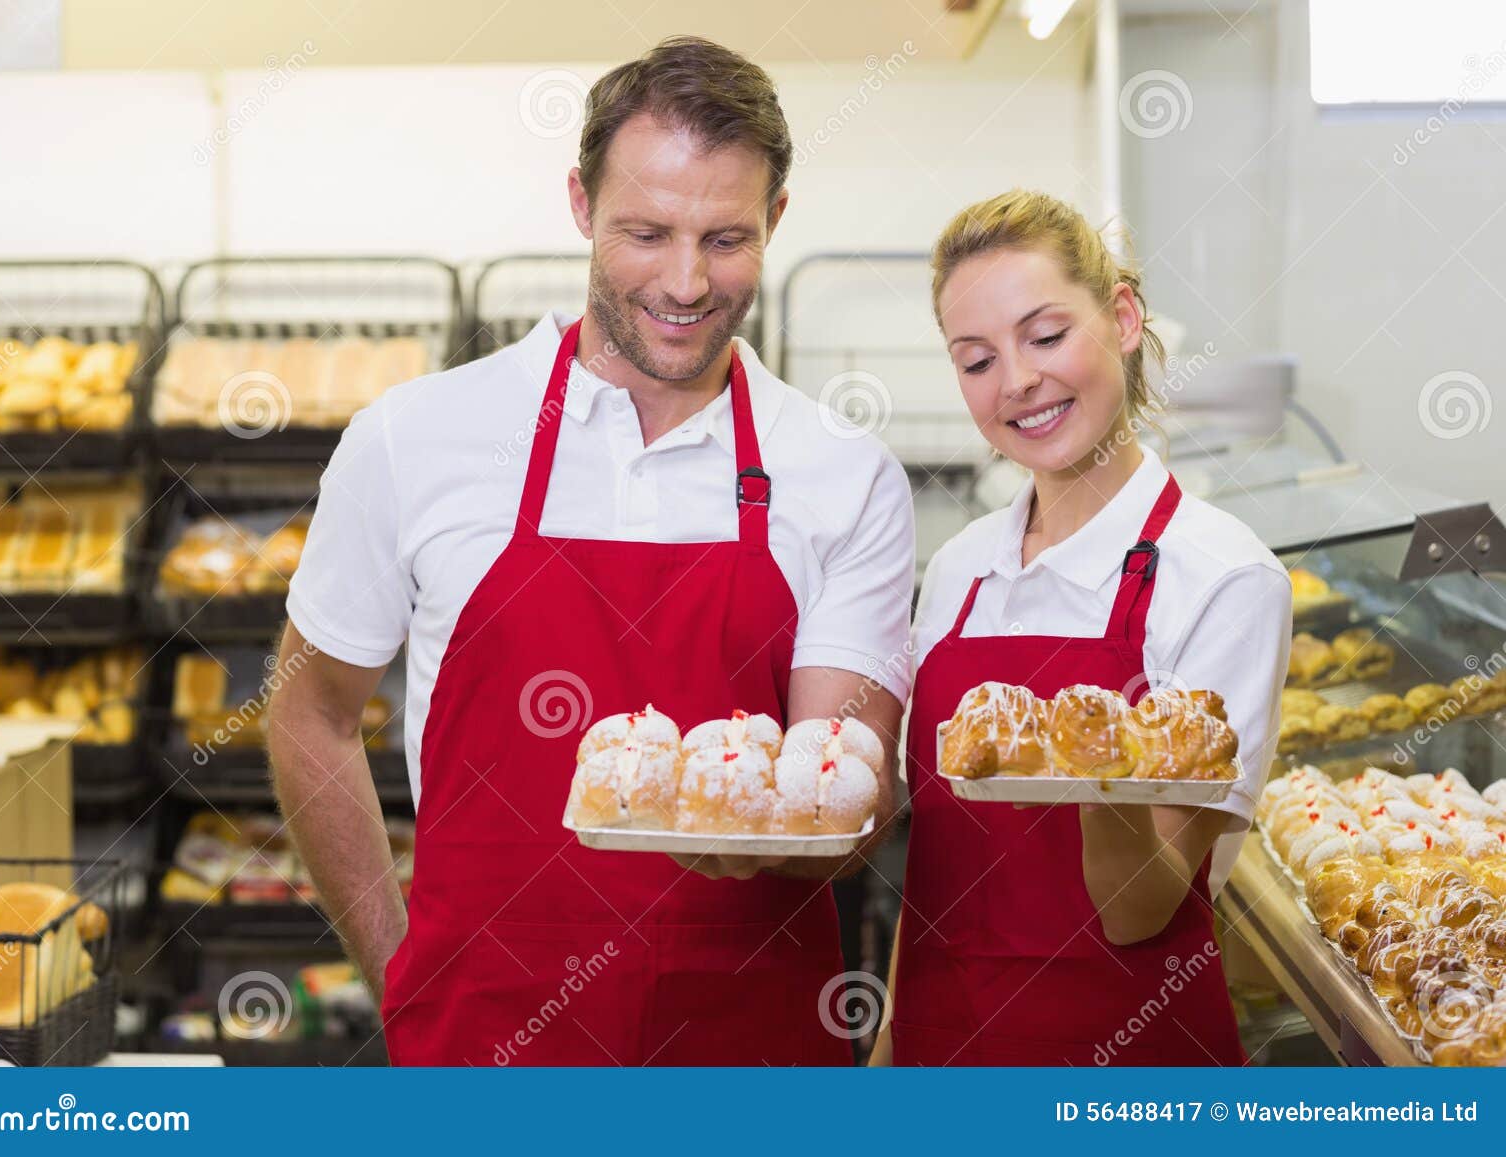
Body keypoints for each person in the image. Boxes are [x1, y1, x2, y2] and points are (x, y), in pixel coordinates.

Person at [267, 36, 915, 1066]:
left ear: (778, 220)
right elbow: (311, 708)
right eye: (646, 232)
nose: (686, 280)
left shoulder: (843, 472)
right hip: (481, 1044)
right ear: (579, 203)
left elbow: (840, 790)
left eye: (726, 237)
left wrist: (814, 822)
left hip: (748, 1053)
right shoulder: (417, 435)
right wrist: (400, 972)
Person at [873, 190, 1290, 1066]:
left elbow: (1143, 907)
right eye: (976, 358)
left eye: (1047, 335)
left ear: (1125, 317)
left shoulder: (1223, 576)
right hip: (939, 1048)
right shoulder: (958, 570)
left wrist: (1098, 770)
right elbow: (937, 865)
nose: (1017, 380)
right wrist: (883, 1047)